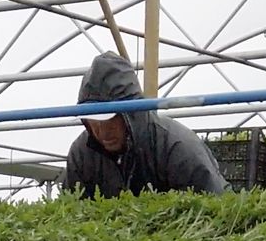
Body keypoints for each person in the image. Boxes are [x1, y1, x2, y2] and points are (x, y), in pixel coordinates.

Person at [64, 52, 226, 198]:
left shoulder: (177, 147)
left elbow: (213, 204)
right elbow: (71, 212)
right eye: (93, 120)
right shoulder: (82, 155)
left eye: (110, 118)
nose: (103, 130)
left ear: (131, 114)